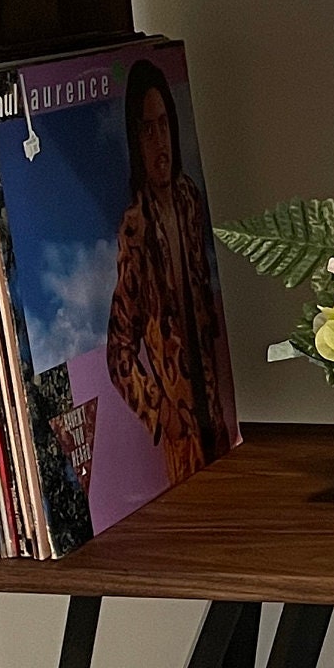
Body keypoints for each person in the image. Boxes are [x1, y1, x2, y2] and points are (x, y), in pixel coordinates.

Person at [105, 61, 233, 481]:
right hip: (181, 429)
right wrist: (160, 412)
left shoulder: (189, 199)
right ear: (135, 139)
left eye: (164, 125)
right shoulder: (135, 229)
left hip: (217, 410)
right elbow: (118, 348)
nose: (160, 141)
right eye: (147, 130)